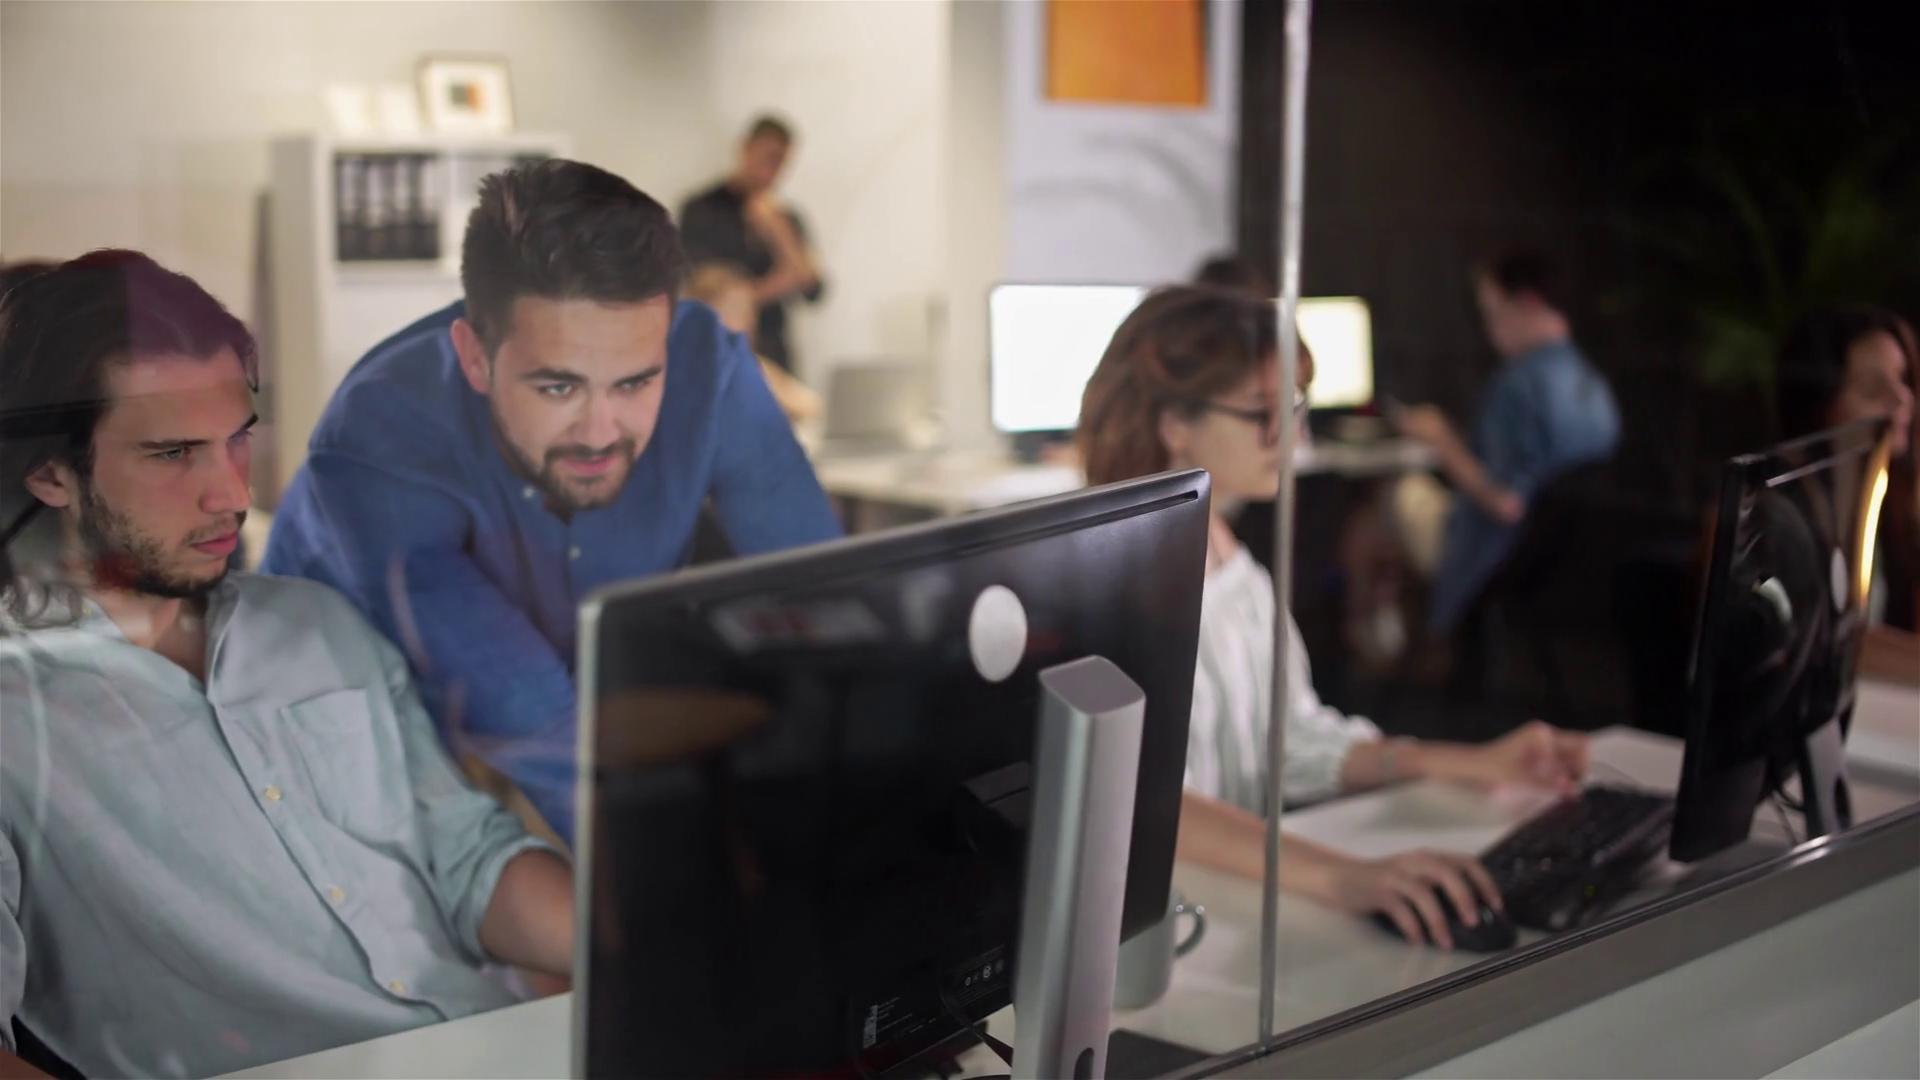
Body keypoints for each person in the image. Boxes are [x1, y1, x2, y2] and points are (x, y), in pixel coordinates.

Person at [0, 251, 573, 1079]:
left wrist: (639, 942)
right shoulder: (18, 712)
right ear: (50, 472)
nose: (231, 493)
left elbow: (469, 861)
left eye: (238, 440)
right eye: (173, 454)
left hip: (492, 1047)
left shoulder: (317, 625)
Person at [263, 160, 841, 845]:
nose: (600, 434)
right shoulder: (381, 434)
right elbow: (519, 703)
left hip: (550, 691)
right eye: (557, 388)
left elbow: (824, 594)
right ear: (476, 358)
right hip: (334, 727)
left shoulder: (705, 365)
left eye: (634, 384)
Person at [1076, 286, 1591, 949]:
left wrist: (1474, 763)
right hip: (1157, 932)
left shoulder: (1228, 559)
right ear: (1174, 423)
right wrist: (1345, 879)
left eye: (1297, 409)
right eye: (1265, 413)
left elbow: (1293, 743)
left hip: (1231, 900)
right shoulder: (1117, 584)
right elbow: (1143, 806)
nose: (1294, 436)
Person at [1391, 247, 1621, 632]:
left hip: (1497, 553)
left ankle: (1389, 655)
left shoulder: (1517, 387)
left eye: (1493, 312)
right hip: (1558, 559)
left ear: (1525, 303)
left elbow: (1506, 501)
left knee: (1386, 502)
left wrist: (1442, 440)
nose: (1489, 328)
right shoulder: (1592, 385)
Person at [1773, 305, 1919, 682]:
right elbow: (1807, 654)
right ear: (1821, 404)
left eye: (1903, 379)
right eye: (1873, 389)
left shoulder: (1889, 506)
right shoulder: (1770, 520)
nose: (1902, 400)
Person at [679, 114, 824, 373]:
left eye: (781, 162)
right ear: (745, 148)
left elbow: (814, 290)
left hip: (774, 351)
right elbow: (703, 288)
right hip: (719, 350)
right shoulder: (702, 210)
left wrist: (779, 232)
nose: (773, 170)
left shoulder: (785, 217)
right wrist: (779, 283)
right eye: (767, 157)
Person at [684, 261, 824, 425]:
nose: (750, 319)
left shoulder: (749, 363)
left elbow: (811, 404)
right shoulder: (692, 368)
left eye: (751, 309)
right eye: (736, 308)